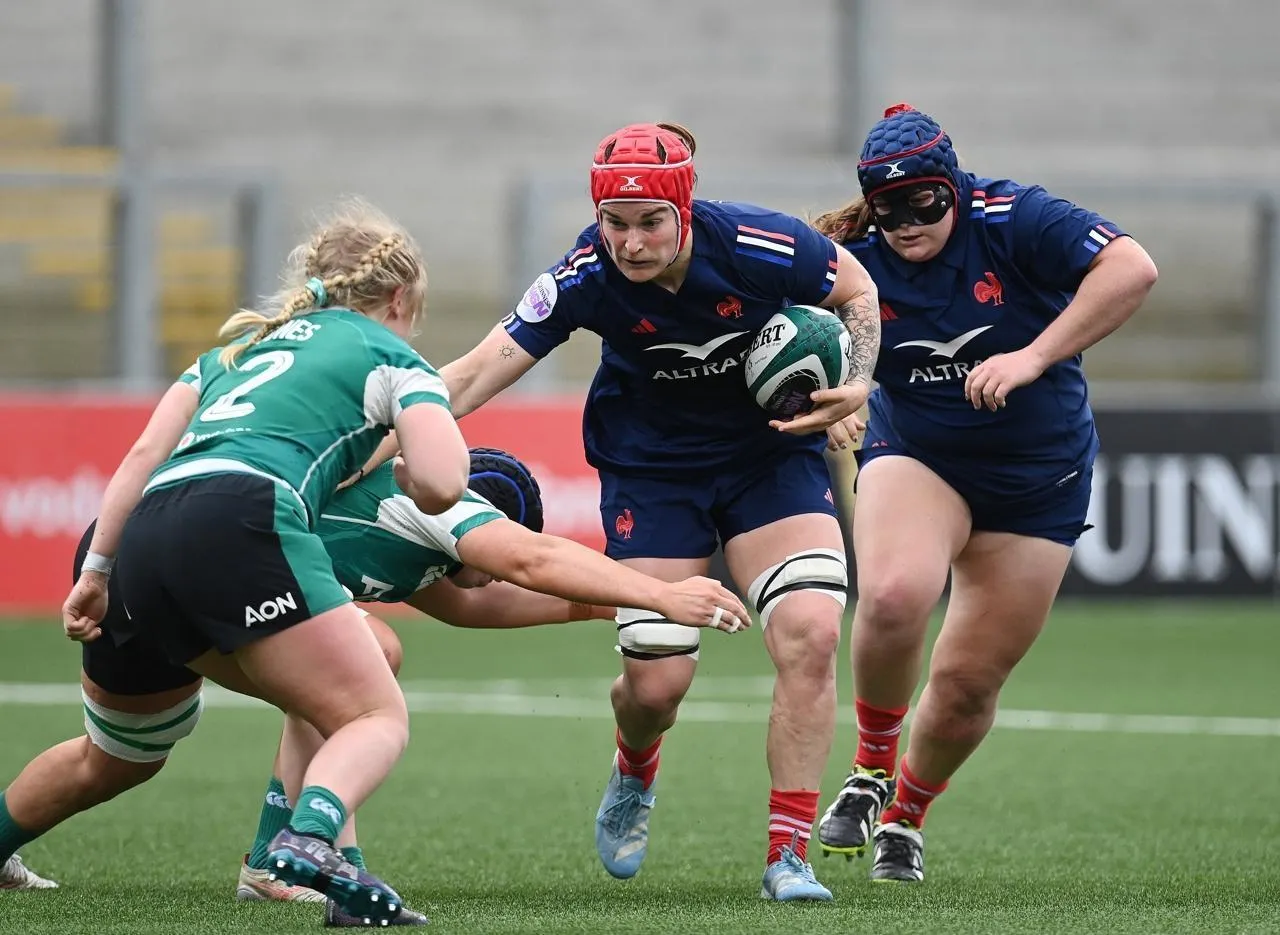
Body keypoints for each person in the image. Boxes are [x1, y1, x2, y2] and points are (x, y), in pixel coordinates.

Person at [2, 449, 747, 927]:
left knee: (118, 759)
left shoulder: (405, 538)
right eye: (488, 549)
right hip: (207, 558)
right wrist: (665, 590)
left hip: (131, 550)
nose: (490, 568)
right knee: (367, 658)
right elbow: (530, 561)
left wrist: (622, 600)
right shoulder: (448, 509)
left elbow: (476, 601)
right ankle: (283, 861)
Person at [440, 122, 882, 902]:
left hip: (768, 456)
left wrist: (859, 379)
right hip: (653, 469)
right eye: (615, 223)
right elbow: (478, 371)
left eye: (650, 223)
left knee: (811, 633)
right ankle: (634, 768)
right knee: (656, 686)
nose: (631, 243)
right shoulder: (583, 273)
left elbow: (859, 291)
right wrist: (369, 433)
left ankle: (789, 855)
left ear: (684, 207)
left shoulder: (761, 242)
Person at [49, 198, 473, 925]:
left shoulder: (232, 353)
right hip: (246, 517)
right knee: (372, 712)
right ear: (399, 297)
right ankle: (305, 839)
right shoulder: (395, 356)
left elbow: (142, 457)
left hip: (144, 533)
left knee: (122, 752)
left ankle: (343, 882)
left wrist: (95, 572)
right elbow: (443, 481)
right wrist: (406, 471)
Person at [810, 104, 1159, 882]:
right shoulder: (855, 254)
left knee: (968, 684)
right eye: (887, 206)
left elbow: (1134, 268)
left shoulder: (1016, 217)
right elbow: (798, 331)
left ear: (955, 187)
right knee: (896, 595)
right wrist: (839, 390)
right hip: (922, 451)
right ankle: (870, 771)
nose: (905, 223)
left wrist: (1033, 356)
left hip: (1040, 475)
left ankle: (906, 815)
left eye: (924, 203)